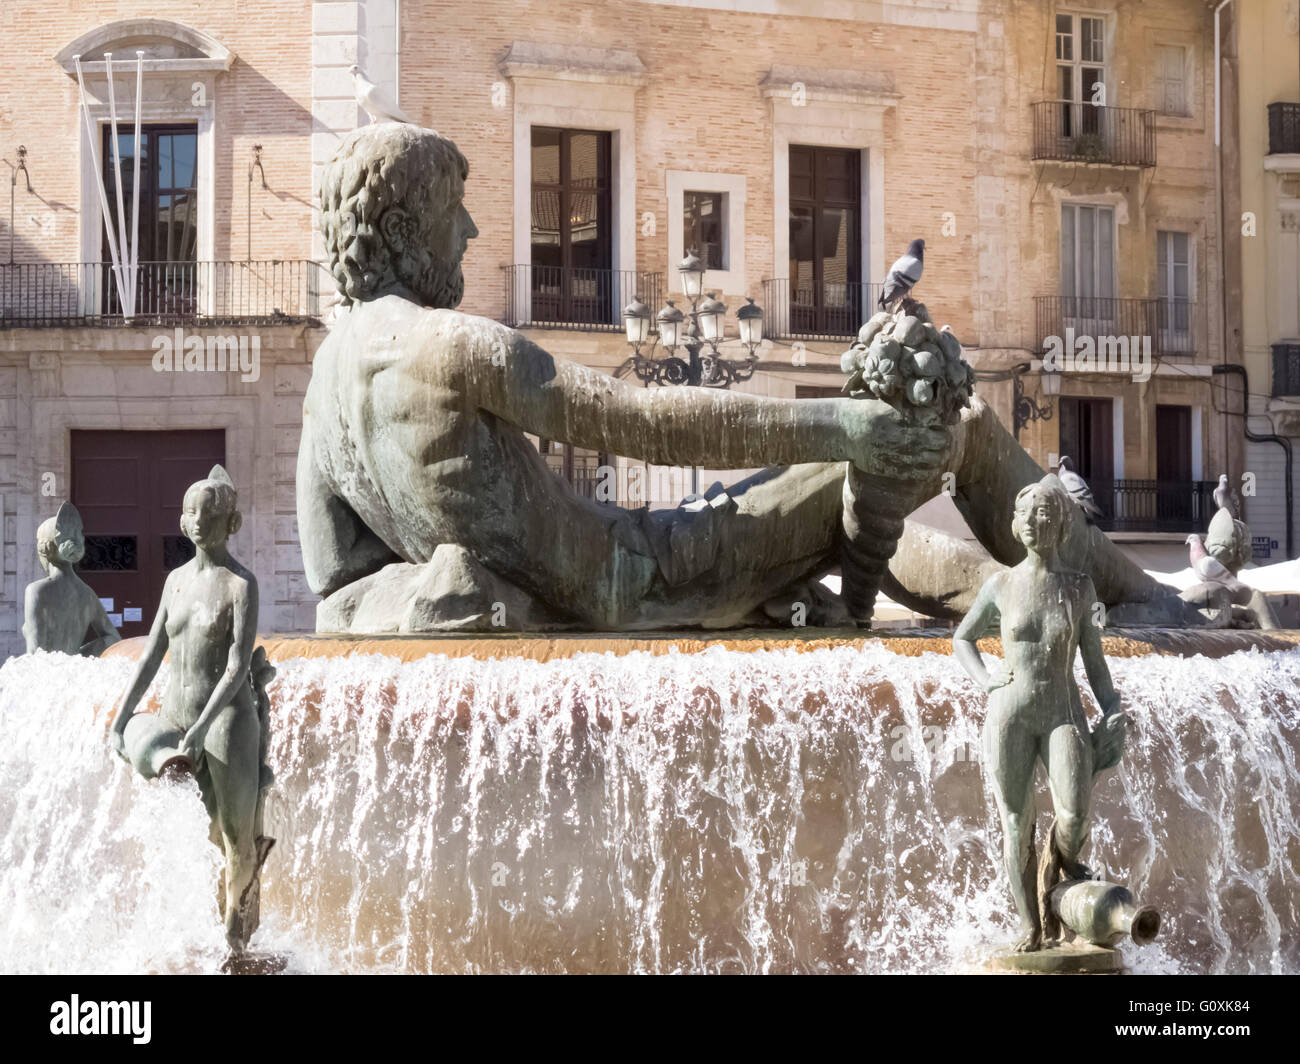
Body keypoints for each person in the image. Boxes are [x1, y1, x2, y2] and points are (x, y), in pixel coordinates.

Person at [952, 477, 1129, 952]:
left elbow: (1095, 662)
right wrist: (987, 680)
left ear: (1062, 526)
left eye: (1045, 514)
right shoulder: (1001, 584)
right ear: (1015, 524)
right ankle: (1033, 924)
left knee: (1074, 812)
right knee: (1015, 822)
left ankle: (1060, 862)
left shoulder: (1079, 587)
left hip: (1063, 712)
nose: (1034, 522)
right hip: (1009, 713)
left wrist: (1113, 708)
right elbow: (962, 638)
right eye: (1026, 514)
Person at [110, 465, 273, 954]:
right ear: (181, 523)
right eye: (190, 512)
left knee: (233, 833)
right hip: (178, 717)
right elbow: (150, 653)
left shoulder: (240, 585)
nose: (199, 520)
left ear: (231, 522)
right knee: (205, 833)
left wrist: (201, 728)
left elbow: (236, 666)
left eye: (210, 512)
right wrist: (122, 717)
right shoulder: (175, 582)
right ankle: (222, 927)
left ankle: (233, 942)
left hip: (223, 721)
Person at [23, 502, 120, 656]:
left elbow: (35, 652)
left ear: (45, 550)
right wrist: (79, 657)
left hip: (46, 676)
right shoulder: (87, 594)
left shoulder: (36, 591)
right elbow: (113, 639)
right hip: (71, 675)